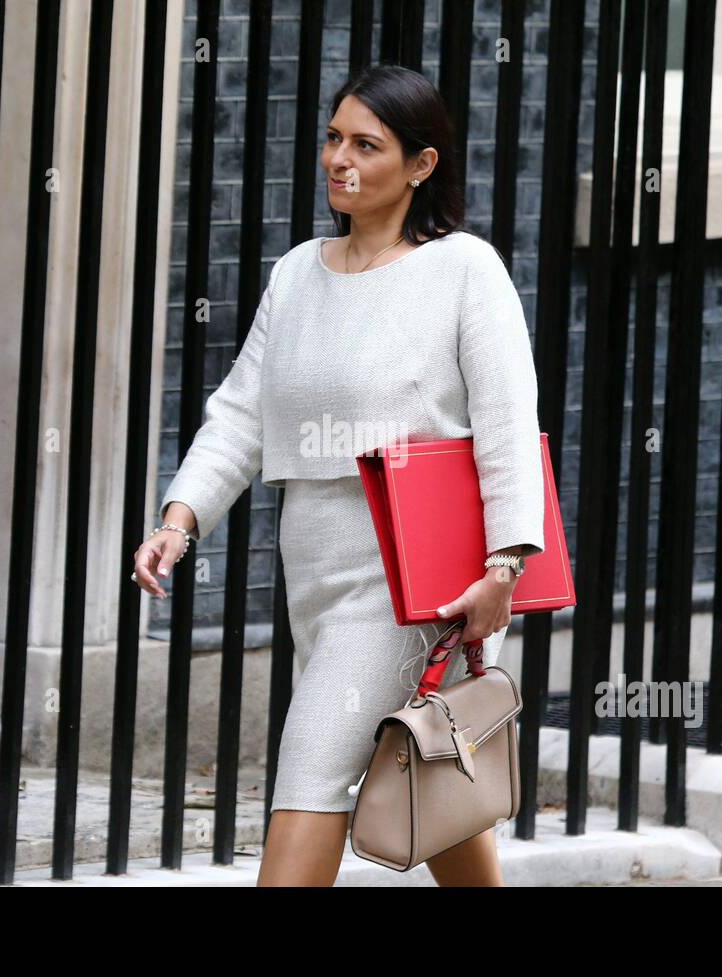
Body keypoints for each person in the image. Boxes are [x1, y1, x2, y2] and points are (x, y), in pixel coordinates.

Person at [132, 63, 544, 886]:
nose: (337, 159)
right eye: (332, 138)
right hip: (315, 567)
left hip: (416, 580)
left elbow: (505, 426)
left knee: (312, 765)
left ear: (421, 165)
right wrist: (180, 519)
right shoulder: (297, 274)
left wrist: (506, 567)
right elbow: (243, 413)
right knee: (432, 764)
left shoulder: (464, 270)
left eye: (366, 143)